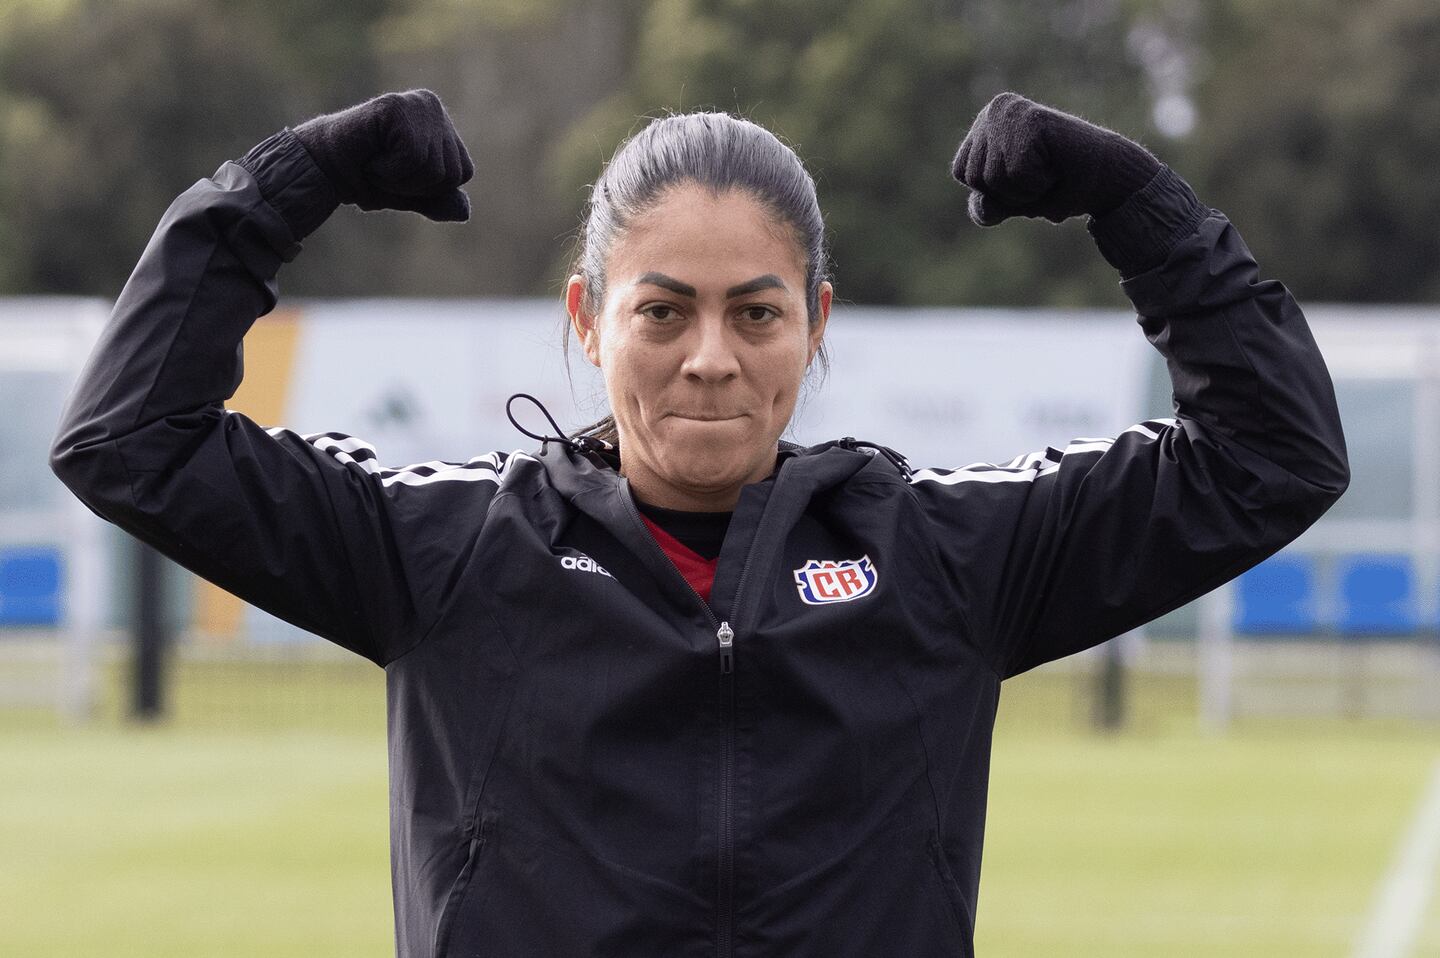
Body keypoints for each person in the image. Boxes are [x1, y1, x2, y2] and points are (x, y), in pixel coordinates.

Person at [51, 88, 1347, 956]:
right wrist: (289, 179)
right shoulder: (444, 554)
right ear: (586, 322)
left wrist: (1139, 204)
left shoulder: (945, 559)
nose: (710, 358)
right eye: (662, 310)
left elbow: (1272, 453)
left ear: (817, 325)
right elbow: (128, 438)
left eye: (757, 311)